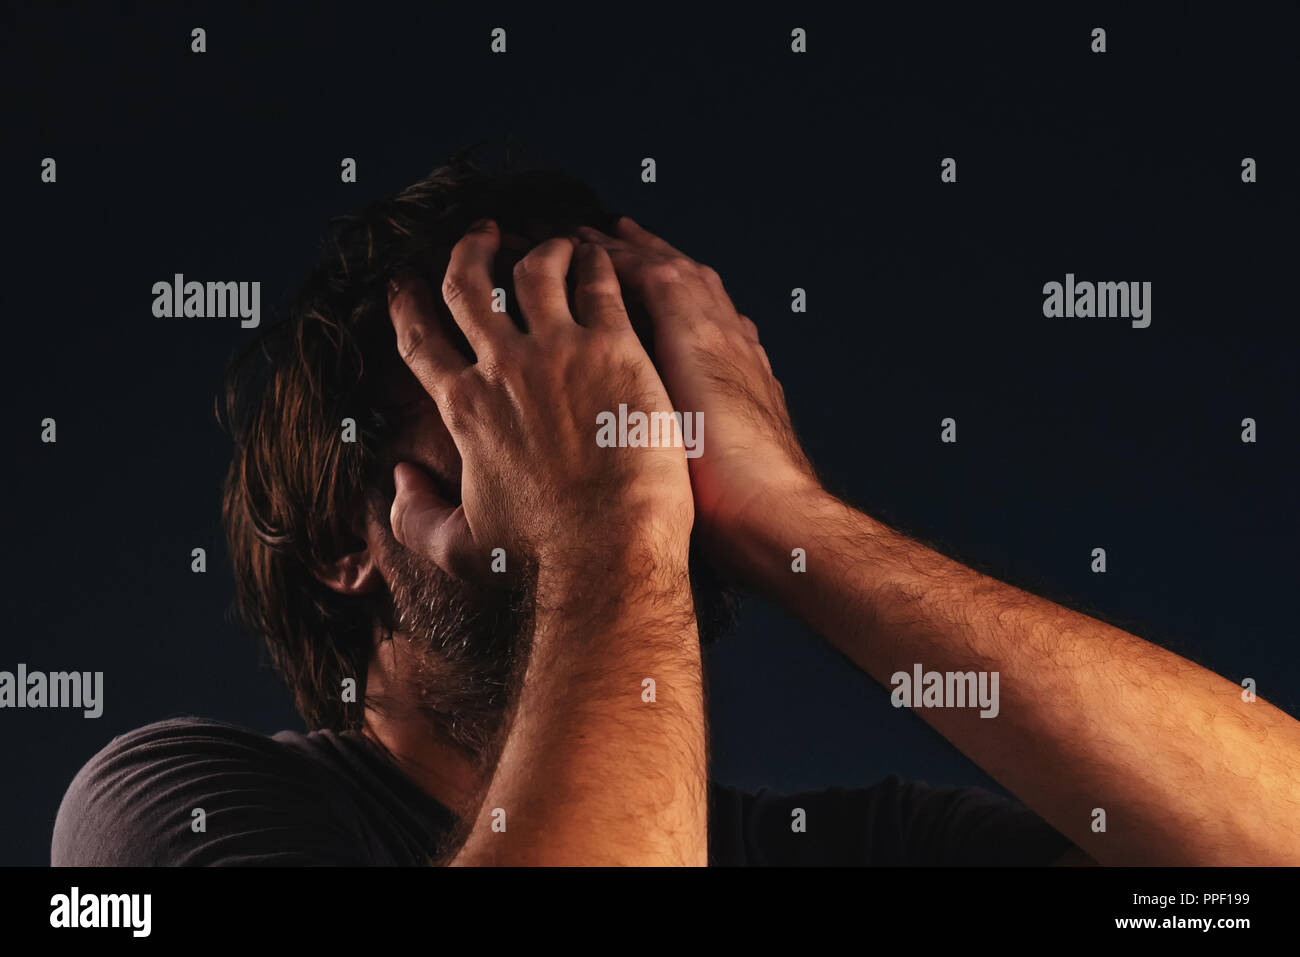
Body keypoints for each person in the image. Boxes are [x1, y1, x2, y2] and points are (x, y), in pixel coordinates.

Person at [51, 157, 1300, 866]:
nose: (631, 443)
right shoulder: (172, 807)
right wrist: (597, 535)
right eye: (525, 406)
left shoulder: (855, 850)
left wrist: (784, 511)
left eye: (650, 398)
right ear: (343, 536)